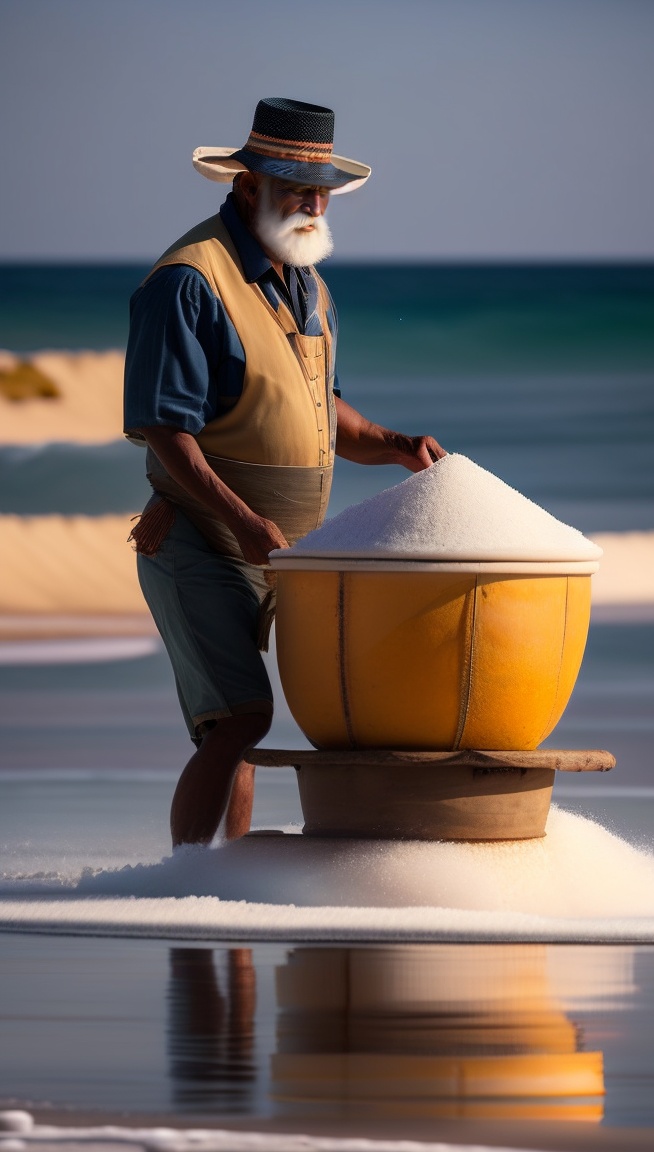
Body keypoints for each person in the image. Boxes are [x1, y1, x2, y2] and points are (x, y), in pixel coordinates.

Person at [123, 97, 445, 847]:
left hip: (280, 552)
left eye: (321, 191)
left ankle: (219, 883)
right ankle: (185, 883)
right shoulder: (188, 280)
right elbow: (165, 428)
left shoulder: (309, 285)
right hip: (200, 540)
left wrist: (396, 443)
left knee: (243, 724)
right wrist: (244, 522)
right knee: (239, 719)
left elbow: (319, 406)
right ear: (246, 185)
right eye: (296, 189)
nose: (313, 206)